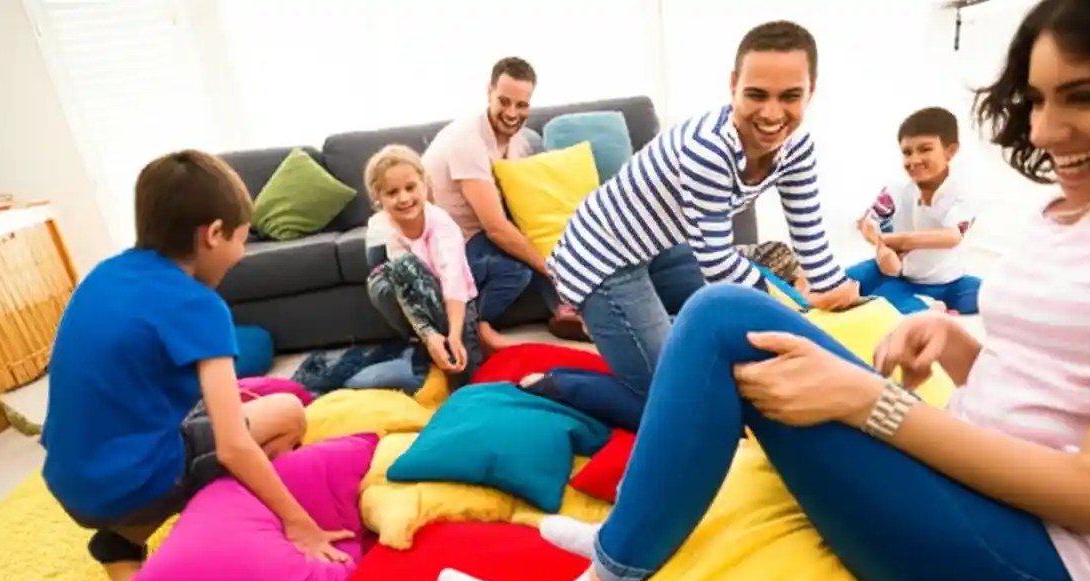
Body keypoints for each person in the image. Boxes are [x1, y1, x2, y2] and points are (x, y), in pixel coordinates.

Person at [436, 0, 1090, 581]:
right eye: (1037, 100)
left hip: (1040, 576)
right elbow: (1052, 380)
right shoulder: (1087, 198)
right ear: (732, 89)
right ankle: (622, 539)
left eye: (1084, 96)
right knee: (711, 331)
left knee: (715, 332)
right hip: (608, 260)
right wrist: (955, 347)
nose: (1043, 130)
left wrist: (863, 376)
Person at [41, 150, 353, 581]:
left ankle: (120, 541)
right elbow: (233, 446)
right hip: (130, 486)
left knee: (240, 403)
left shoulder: (103, 275)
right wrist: (300, 524)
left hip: (70, 482)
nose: (240, 255)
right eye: (241, 240)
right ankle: (226, 521)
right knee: (287, 412)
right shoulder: (199, 305)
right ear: (213, 235)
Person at [546, 20, 861, 398]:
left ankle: (628, 327)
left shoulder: (798, 148)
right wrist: (797, 308)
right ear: (733, 86)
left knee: (723, 337)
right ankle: (561, 382)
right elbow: (718, 265)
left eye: (790, 96)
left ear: (811, 91)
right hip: (600, 254)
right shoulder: (708, 151)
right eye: (757, 95)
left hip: (661, 248)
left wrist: (849, 304)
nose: (772, 114)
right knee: (678, 395)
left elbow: (811, 243)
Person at [421, 56, 588, 350]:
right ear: (489, 92)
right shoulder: (467, 141)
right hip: (448, 239)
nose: (512, 113)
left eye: (521, 105)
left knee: (538, 235)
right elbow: (496, 228)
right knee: (520, 266)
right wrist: (551, 268)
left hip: (478, 232)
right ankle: (478, 327)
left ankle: (566, 311)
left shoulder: (519, 140)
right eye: (504, 101)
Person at [363, 144, 483, 386]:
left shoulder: (442, 226)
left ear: (424, 184)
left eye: (410, 188)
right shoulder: (379, 227)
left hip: (453, 303)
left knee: (465, 370)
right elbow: (400, 283)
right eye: (392, 192)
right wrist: (428, 335)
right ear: (378, 198)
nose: (404, 198)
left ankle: (450, 349)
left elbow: (453, 283)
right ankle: (422, 344)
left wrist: (454, 335)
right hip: (409, 299)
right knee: (384, 278)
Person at [849, 107, 983, 315]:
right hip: (903, 278)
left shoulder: (963, 192)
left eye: (925, 149)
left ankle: (932, 308)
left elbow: (952, 236)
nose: (914, 160)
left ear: (951, 151)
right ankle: (928, 308)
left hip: (950, 281)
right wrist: (881, 247)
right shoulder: (897, 188)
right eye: (907, 152)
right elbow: (867, 223)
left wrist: (893, 241)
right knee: (848, 285)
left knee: (992, 296)